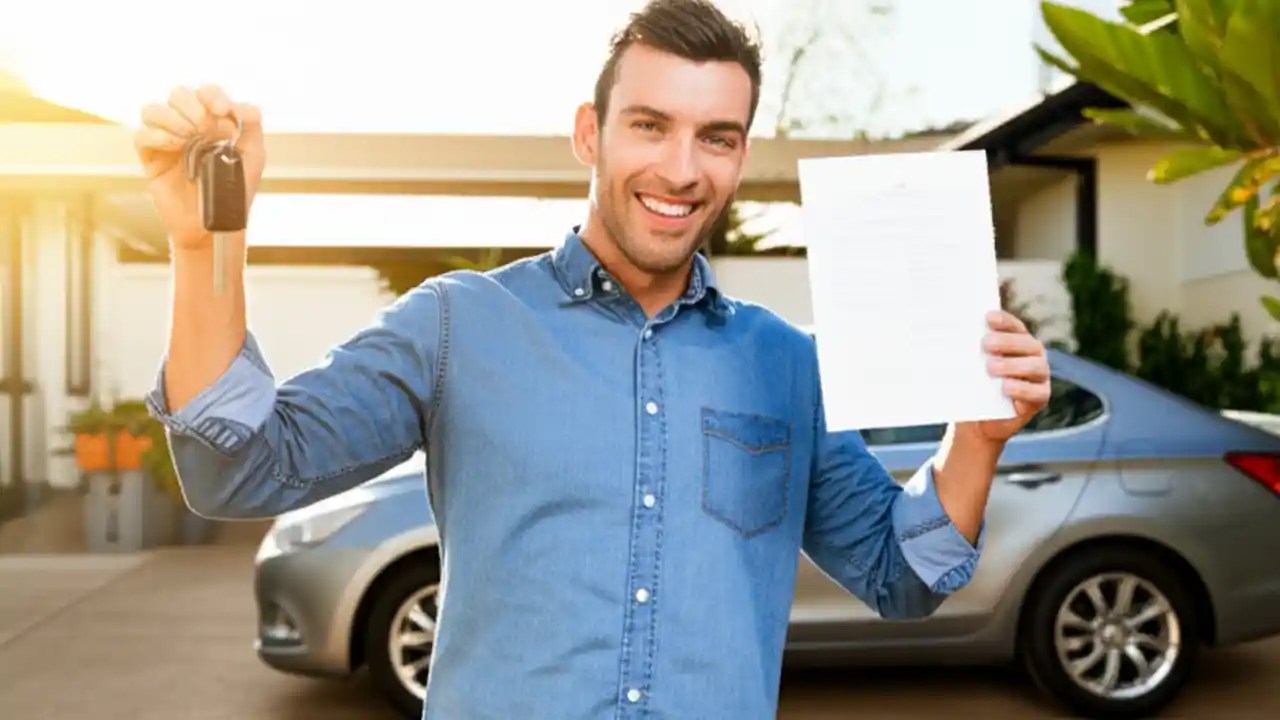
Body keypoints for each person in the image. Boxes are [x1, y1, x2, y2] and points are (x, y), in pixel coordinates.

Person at [134, 0, 1050, 717]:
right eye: (650, 125)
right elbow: (236, 469)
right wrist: (203, 241)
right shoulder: (458, 325)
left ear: (739, 156)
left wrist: (975, 440)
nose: (682, 170)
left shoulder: (785, 363)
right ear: (589, 133)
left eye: (716, 138)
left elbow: (902, 578)